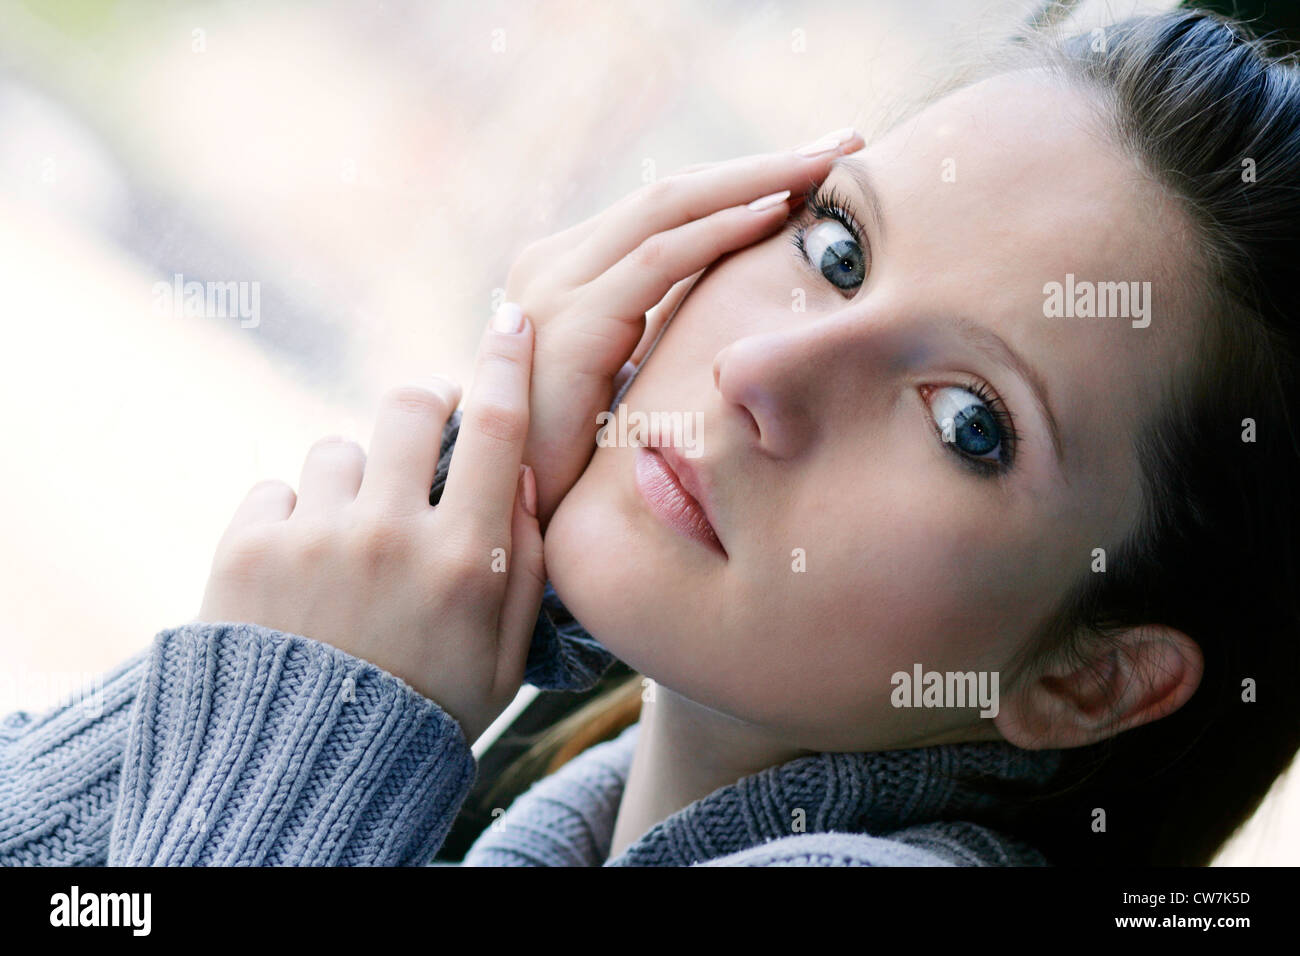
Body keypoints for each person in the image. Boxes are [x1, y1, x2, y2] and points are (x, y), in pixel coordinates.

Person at [2, 7, 1296, 866]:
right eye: (835, 247)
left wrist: (316, 725)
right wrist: (461, 542)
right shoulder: (560, 812)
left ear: (1088, 680)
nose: (762, 368)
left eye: (970, 421)